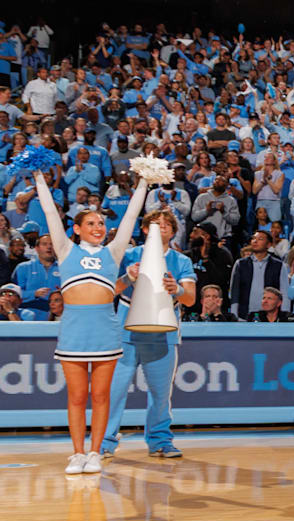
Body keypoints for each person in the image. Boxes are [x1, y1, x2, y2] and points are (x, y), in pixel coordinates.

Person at [32, 171, 149, 474]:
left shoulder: (113, 251)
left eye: (101, 223)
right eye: (91, 224)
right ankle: (77, 453)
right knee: (76, 397)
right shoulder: (65, 249)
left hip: (105, 332)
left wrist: (144, 183)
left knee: (100, 396)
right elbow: (50, 212)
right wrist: (39, 179)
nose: (98, 228)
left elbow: (131, 217)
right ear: (77, 228)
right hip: (73, 332)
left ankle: (95, 452)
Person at [102, 209, 197, 459]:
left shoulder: (181, 261)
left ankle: (160, 440)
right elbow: (109, 290)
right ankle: (104, 441)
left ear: (173, 231)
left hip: (163, 334)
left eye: (167, 224)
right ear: (145, 229)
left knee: (161, 393)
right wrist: (127, 277)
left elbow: (190, 299)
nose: (161, 226)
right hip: (125, 334)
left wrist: (177, 289)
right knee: (114, 391)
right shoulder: (128, 255)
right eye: (156, 223)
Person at [229, 229, 289, 318]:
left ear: (269, 245)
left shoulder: (279, 265)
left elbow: (284, 292)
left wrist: (284, 314)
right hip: (244, 315)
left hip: (270, 317)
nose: (255, 241)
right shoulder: (240, 264)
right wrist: (234, 314)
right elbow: (234, 291)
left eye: (260, 239)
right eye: (253, 238)